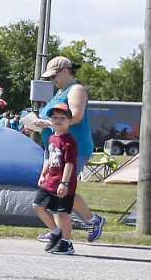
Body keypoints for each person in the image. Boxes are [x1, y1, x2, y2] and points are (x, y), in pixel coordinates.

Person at [40, 55, 105, 242]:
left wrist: (46, 123)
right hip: (55, 148)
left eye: (54, 76)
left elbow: (75, 117)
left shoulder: (76, 90)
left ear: (65, 71)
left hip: (72, 148)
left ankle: (66, 231)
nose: (52, 80)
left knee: (60, 189)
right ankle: (71, 227)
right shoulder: (60, 92)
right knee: (55, 189)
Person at [34, 103, 79, 254]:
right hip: (50, 181)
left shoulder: (69, 141)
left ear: (69, 121)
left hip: (64, 183)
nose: (58, 121)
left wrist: (64, 183)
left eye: (62, 118)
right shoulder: (52, 138)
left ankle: (67, 243)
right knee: (38, 205)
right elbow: (50, 158)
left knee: (62, 213)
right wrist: (43, 174)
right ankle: (55, 232)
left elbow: (70, 163)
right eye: (54, 118)